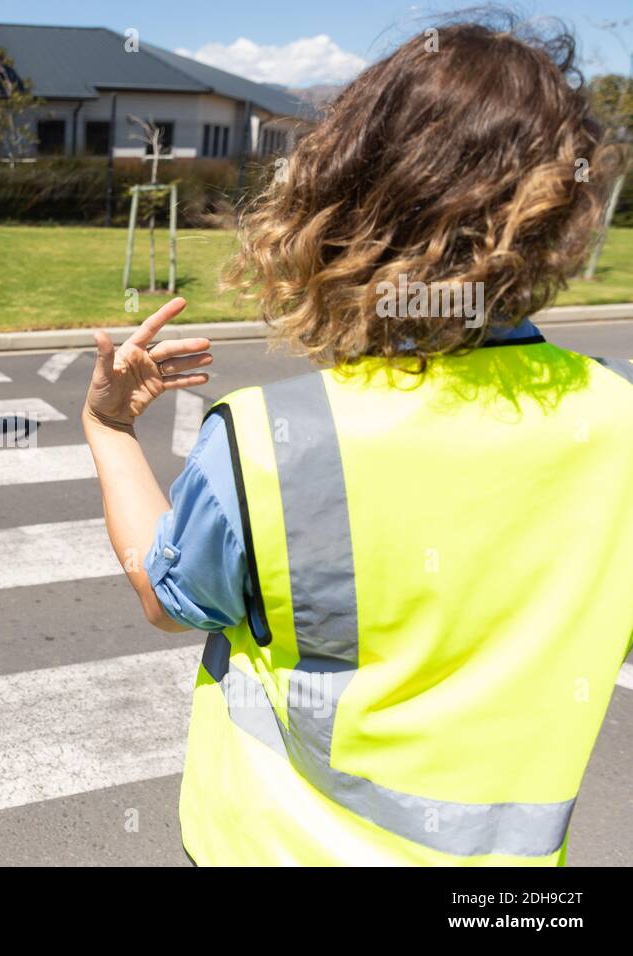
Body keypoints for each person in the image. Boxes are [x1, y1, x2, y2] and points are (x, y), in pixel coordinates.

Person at [82, 18, 633, 866]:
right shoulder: (620, 416)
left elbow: (164, 597)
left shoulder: (274, 441)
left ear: (350, 199)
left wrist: (110, 426)